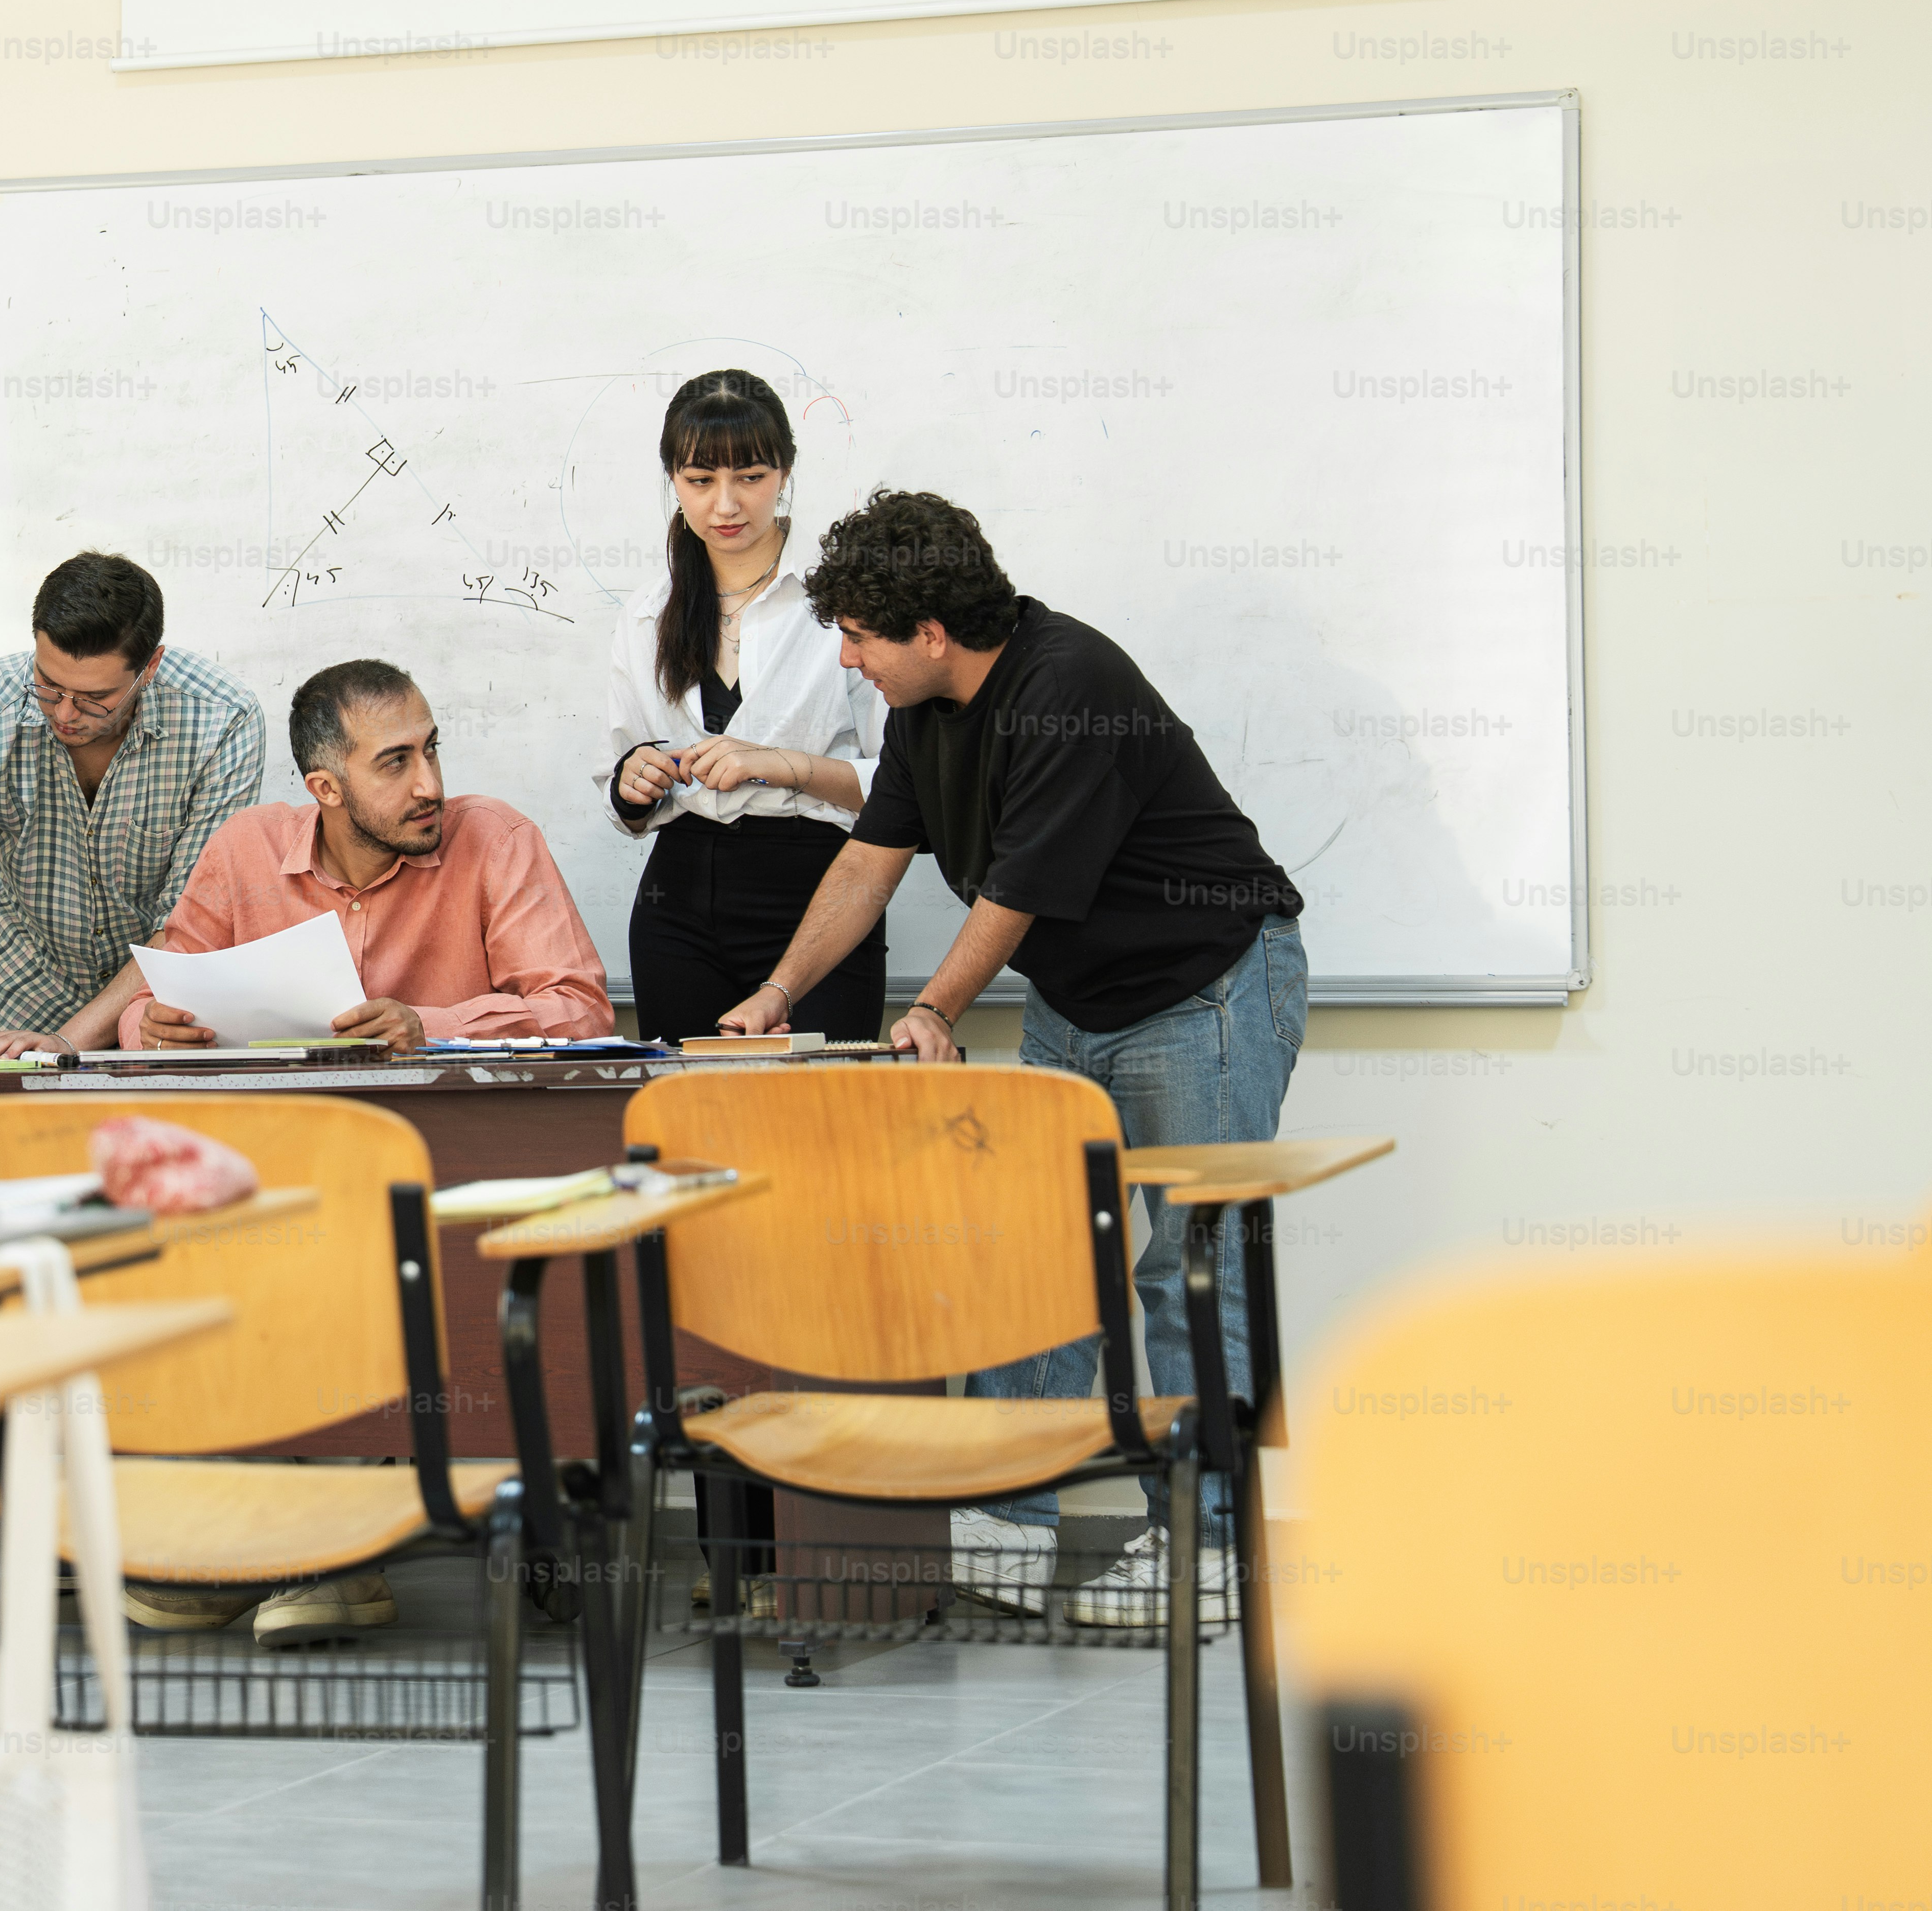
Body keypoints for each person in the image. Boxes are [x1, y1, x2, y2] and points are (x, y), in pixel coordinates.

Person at [715, 489, 1305, 1627]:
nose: (845, 658)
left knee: (1189, 1261)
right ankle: (1006, 1518)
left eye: (858, 636)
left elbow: (1017, 889)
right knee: (1028, 1251)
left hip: (1208, 989)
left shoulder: (1069, 685)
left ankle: (1210, 1547)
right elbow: (865, 864)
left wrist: (934, 1006)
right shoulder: (924, 710)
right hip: (1078, 1006)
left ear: (929, 631)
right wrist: (774, 993)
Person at [117, 658, 612, 1648]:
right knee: (195, 1245)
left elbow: (577, 1006)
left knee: (357, 1258)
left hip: (453, 1180)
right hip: (284, 1175)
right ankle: (247, 1538)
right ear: (326, 788)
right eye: (397, 760)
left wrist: (429, 1025)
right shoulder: (247, 848)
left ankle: (333, 1551)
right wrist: (149, 1021)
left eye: (432, 748)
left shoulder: (496, 838)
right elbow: (163, 986)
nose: (429, 781)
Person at [0, 552, 263, 1061]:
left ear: (149, 668)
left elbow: (185, 926)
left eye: (94, 697)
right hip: (16, 1004)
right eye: (47, 684)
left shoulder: (222, 722)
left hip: (156, 1015)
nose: (64, 714)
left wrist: (68, 1042)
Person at [595, 370, 888, 1044]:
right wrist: (632, 781)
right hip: (680, 902)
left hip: (822, 892)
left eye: (750, 477)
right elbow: (625, 792)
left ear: (784, 471)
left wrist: (784, 765)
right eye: (700, 481)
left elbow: (897, 790)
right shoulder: (646, 613)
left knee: (818, 1122)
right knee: (692, 1129)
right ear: (673, 478)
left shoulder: (843, 597)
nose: (725, 505)